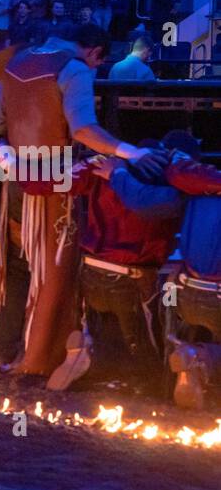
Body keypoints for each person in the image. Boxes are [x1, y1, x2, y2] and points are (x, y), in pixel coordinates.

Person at [0, 24, 167, 376]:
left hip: (16, 181)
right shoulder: (73, 69)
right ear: (94, 53)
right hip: (57, 182)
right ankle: (39, 359)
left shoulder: (16, 63)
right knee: (54, 271)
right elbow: (83, 130)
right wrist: (130, 152)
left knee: (15, 266)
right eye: (97, 65)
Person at [46, 131, 202, 391]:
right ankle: (156, 383)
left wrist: (6, 158)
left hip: (90, 272)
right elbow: (142, 203)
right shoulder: (172, 188)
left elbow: (47, 182)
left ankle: (86, 349)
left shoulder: (101, 167)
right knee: (147, 341)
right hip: (130, 278)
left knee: (101, 326)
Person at [98, 142, 221, 407]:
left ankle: (173, 381)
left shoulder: (193, 187)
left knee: (168, 304)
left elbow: (142, 200)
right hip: (214, 298)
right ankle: (201, 356)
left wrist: (117, 172)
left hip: (188, 293)